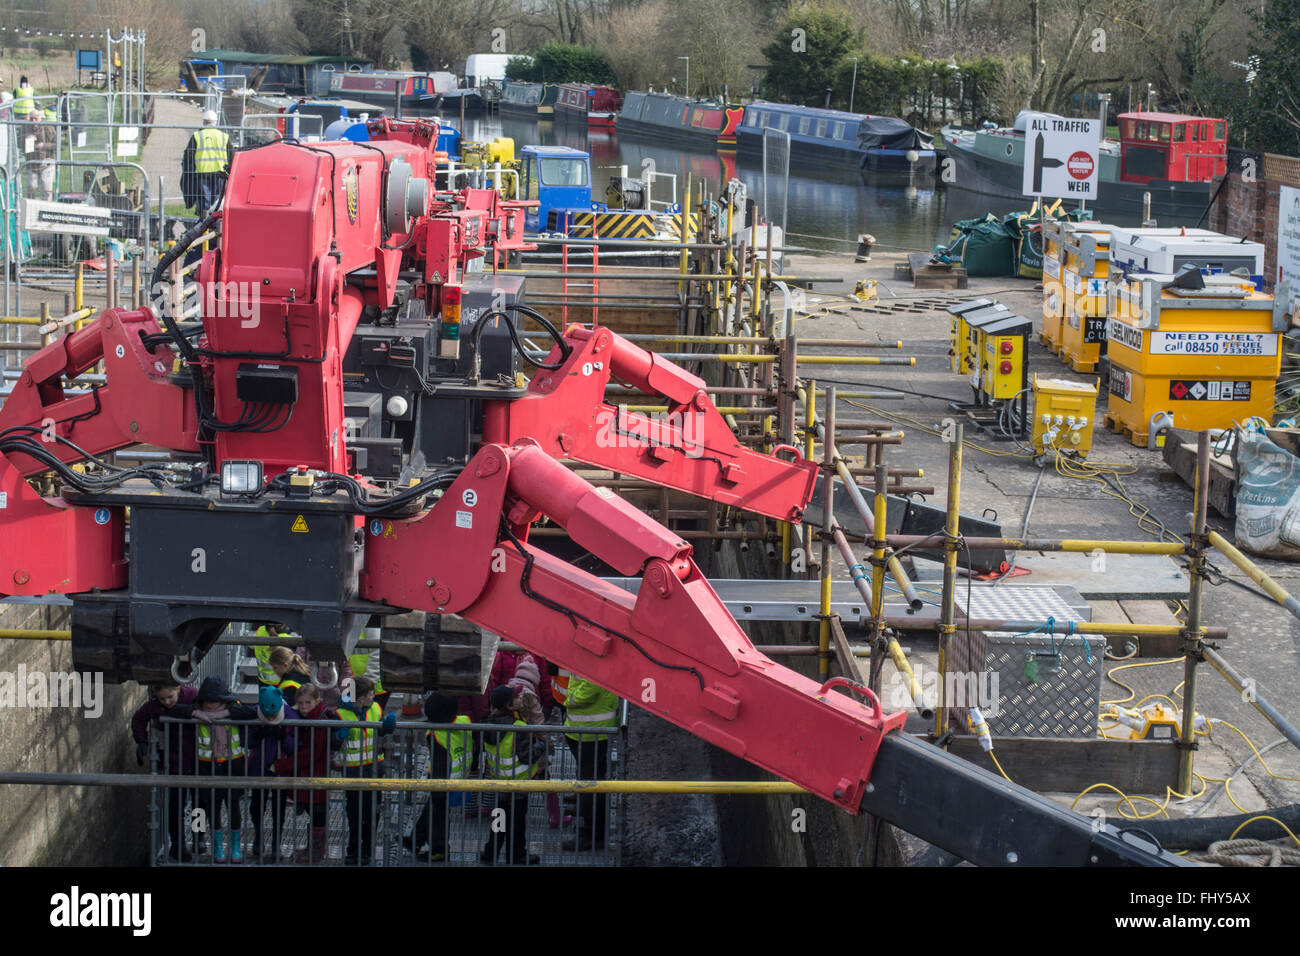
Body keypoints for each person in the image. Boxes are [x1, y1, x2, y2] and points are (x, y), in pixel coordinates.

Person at [191, 676, 258, 863]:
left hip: (232, 767)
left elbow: (251, 712)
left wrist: (225, 715)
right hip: (207, 768)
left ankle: (235, 846)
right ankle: (218, 846)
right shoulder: (196, 711)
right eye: (208, 703)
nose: (211, 708)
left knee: (234, 807)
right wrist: (195, 714)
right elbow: (176, 709)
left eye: (216, 703)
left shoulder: (233, 710)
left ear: (224, 701)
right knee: (213, 808)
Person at [131, 680, 198, 862]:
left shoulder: (193, 695)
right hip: (174, 763)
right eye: (162, 699)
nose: (167, 702)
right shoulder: (154, 705)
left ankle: (198, 837)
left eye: (170, 697)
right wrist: (142, 741)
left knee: (199, 806)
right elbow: (138, 719)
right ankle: (178, 845)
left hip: (198, 761)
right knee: (176, 807)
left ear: (179, 690)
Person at [334, 676, 396, 865]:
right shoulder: (341, 714)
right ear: (360, 698)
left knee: (372, 813)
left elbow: (378, 733)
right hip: (352, 772)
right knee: (354, 814)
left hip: (374, 769)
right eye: (370, 694)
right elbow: (332, 743)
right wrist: (337, 737)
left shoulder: (375, 708)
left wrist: (386, 728)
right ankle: (353, 850)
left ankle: (367, 850)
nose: (373, 697)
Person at [480, 685, 545, 866]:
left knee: (498, 819)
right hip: (519, 784)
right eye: (516, 698)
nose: (520, 698)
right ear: (510, 706)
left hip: (499, 782)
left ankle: (490, 853)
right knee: (517, 823)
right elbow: (527, 756)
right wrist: (540, 747)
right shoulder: (518, 727)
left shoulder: (487, 725)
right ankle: (516, 855)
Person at [273, 682, 337, 863]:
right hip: (311, 773)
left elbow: (310, 754)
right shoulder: (314, 718)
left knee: (317, 812)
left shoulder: (318, 721)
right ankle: (314, 849)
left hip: (314, 774)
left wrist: (281, 765)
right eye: (300, 703)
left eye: (307, 702)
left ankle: (316, 852)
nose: (303, 707)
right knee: (316, 812)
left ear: (317, 701)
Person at [406, 693, 469, 861]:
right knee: (431, 809)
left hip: (442, 782)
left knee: (438, 816)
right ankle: (416, 840)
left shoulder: (438, 735)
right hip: (459, 774)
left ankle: (438, 850)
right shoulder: (463, 721)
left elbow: (439, 765)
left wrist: (437, 787)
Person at [562, 677, 620, 852]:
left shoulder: (594, 658)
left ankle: (593, 836)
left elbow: (590, 686)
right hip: (588, 729)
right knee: (590, 779)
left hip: (592, 731)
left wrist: (568, 701)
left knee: (590, 784)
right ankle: (591, 825)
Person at [245, 686, 298, 861]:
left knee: (279, 807)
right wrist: (258, 733)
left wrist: (283, 736)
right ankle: (259, 836)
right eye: (266, 715)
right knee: (256, 805)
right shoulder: (253, 713)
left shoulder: (290, 716)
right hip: (259, 767)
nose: (269, 718)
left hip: (280, 768)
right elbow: (247, 741)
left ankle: (276, 842)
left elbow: (294, 747)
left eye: (273, 715)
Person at [181, 109, 232, 217]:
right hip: (220, 174)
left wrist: (188, 172)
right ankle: (216, 223)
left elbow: (188, 156)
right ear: (216, 122)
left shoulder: (197, 136)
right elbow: (231, 156)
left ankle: (204, 223)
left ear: (203, 122)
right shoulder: (224, 136)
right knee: (217, 200)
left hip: (202, 173)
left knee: (204, 200)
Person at [23, 110, 56, 202]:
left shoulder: (48, 128)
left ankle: (46, 210)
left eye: (36, 119)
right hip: (31, 162)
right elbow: (18, 143)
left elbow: (58, 145)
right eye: (31, 119)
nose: (34, 121)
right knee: (32, 187)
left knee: (46, 188)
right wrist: (27, 140)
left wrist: (44, 145)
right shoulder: (25, 127)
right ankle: (30, 207)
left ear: (40, 118)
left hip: (47, 163)